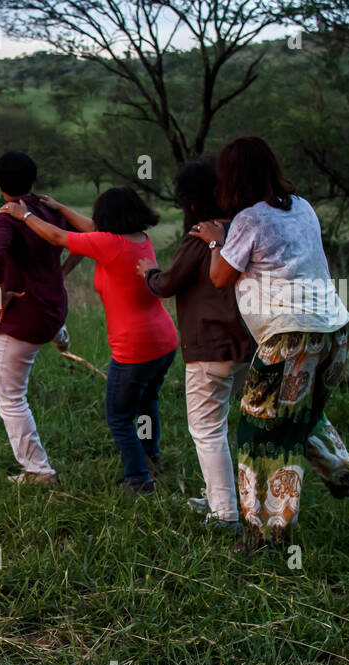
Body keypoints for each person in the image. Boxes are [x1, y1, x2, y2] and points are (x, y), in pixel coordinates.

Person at [191, 136, 349, 549]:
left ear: (232, 177)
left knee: (262, 434)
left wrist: (212, 240)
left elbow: (220, 277)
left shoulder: (248, 220)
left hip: (289, 338)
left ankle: (267, 535)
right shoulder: (302, 206)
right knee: (304, 419)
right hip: (335, 331)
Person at [0, 186, 179, 494]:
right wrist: (62, 206)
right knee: (147, 403)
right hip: (164, 342)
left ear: (108, 217)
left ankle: (138, 481)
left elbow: (57, 238)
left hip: (135, 348)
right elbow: (91, 229)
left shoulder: (109, 244)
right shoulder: (139, 239)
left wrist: (24, 214)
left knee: (120, 416)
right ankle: (151, 459)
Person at [137, 158, 256, 529]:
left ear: (189, 201)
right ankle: (218, 496)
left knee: (206, 430)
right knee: (223, 425)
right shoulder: (241, 228)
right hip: (248, 344)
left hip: (209, 346)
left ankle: (224, 513)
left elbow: (167, 284)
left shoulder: (199, 236)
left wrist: (148, 273)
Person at [0, 151, 78, 485]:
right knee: (46, 327)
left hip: (26, 315)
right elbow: (80, 241)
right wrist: (60, 272)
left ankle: (38, 470)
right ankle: (59, 335)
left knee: (8, 396)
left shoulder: (6, 217)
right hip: (53, 305)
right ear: (33, 179)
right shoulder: (48, 208)